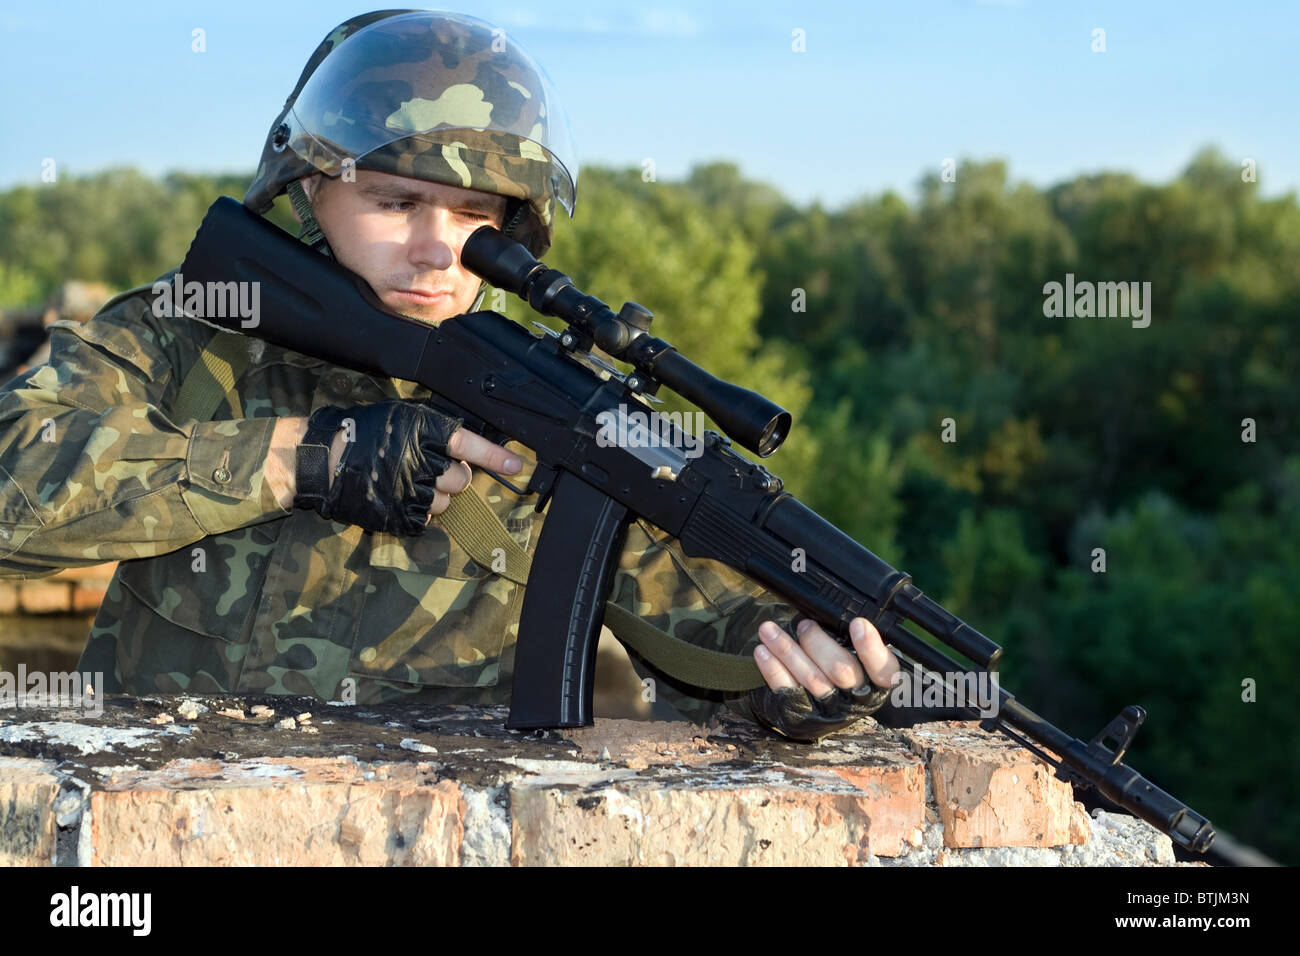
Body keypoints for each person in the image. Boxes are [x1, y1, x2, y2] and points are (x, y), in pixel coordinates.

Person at [0, 9, 899, 741]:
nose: (436, 249)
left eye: (475, 218)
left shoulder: (561, 416)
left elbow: (723, 625)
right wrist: (303, 460)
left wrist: (803, 684)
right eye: (395, 203)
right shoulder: (196, 333)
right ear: (311, 187)